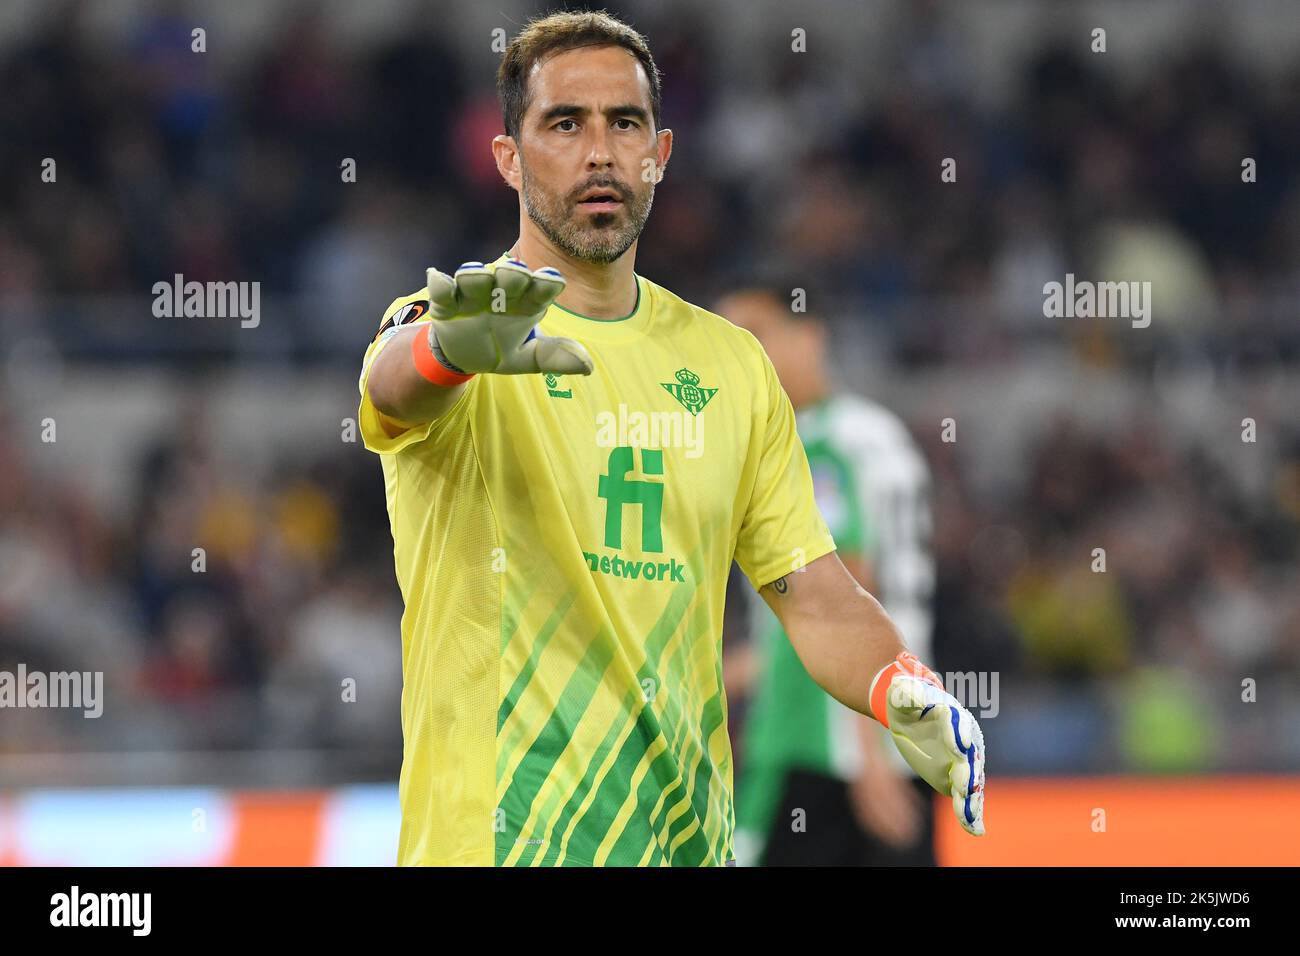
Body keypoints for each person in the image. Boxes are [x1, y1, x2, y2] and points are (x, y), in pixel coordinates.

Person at [356, 10, 983, 867]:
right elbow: (393, 385)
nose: (600, 152)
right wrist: (449, 349)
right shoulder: (456, 328)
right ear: (508, 158)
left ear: (662, 152)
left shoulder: (732, 366)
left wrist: (899, 683)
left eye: (626, 122)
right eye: (564, 123)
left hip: (683, 845)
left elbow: (818, 596)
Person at [719, 281, 939, 866]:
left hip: (828, 745)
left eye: (755, 333)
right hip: (903, 727)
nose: (740, 351)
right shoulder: (878, 434)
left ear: (810, 336)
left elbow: (843, 602)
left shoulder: (818, 447)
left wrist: (866, 756)